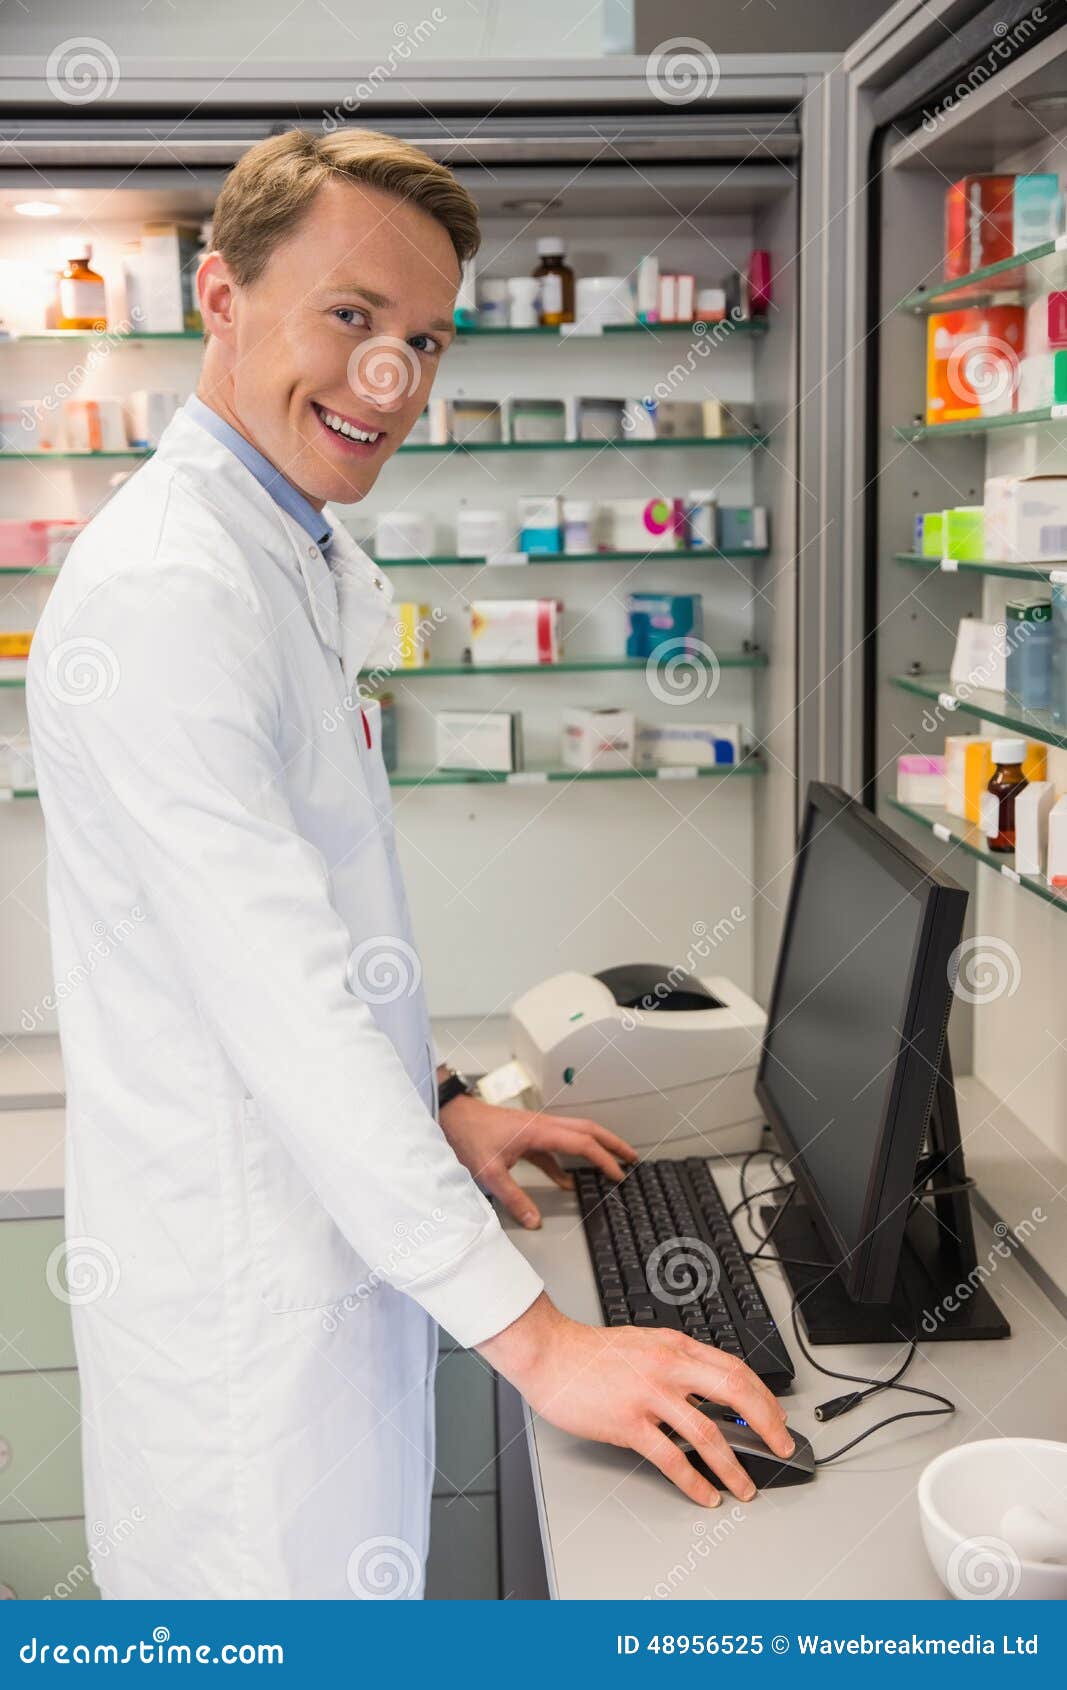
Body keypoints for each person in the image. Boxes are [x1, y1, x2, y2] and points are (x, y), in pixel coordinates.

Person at [27, 127, 794, 1600]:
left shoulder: (288, 551)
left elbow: (311, 931)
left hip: (328, 1264)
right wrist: (544, 1345)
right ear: (221, 297)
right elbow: (285, 1007)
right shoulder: (169, 590)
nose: (393, 381)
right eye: (351, 318)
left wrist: (442, 1105)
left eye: (426, 339)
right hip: (248, 1350)